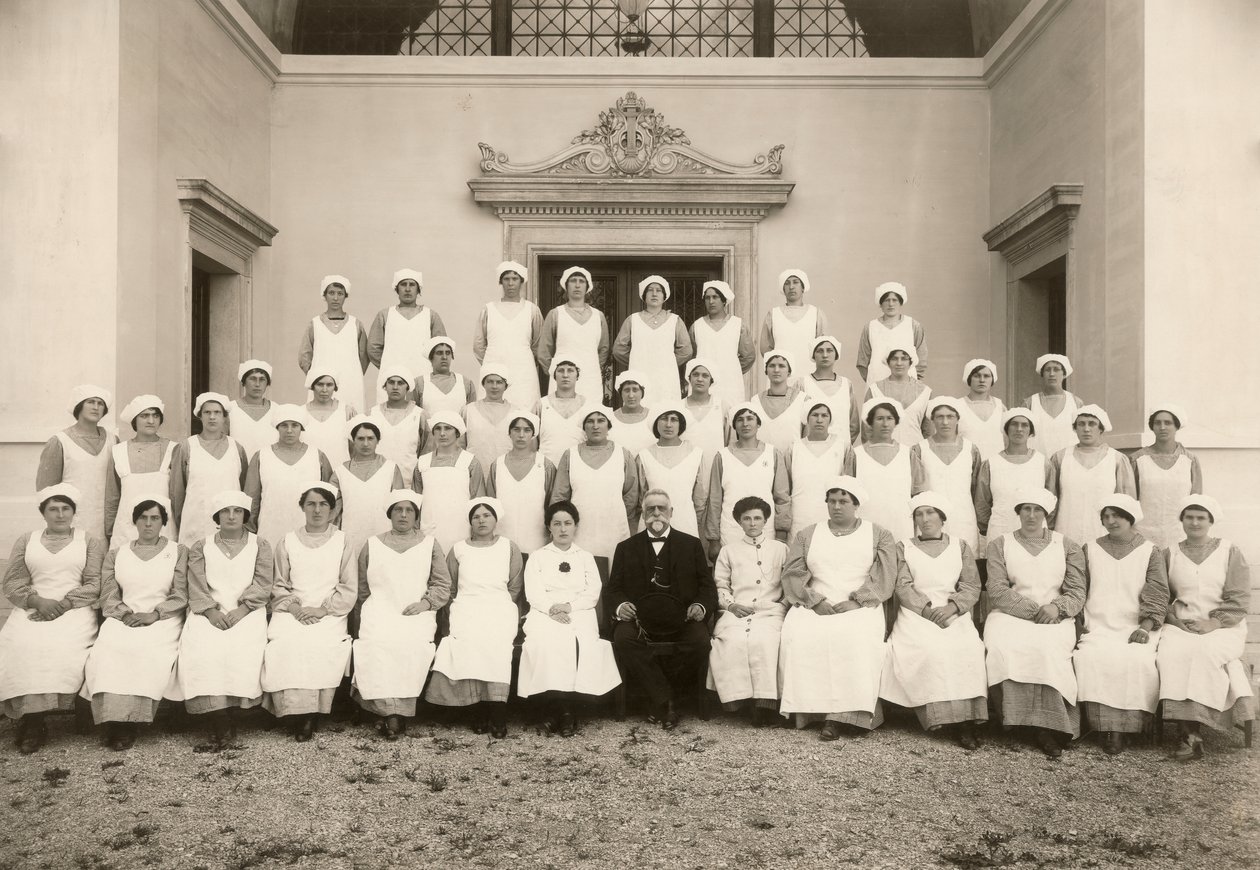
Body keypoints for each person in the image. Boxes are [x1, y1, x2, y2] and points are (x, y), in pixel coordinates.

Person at [779, 477, 896, 739]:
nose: (837, 506)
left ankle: (845, 716)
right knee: (799, 632)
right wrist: (815, 602)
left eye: (843, 501)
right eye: (832, 501)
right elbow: (792, 574)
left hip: (862, 605)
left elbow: (885, 577)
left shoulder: (879, 534)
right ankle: (810, 712)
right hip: (816, 601)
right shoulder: (807, 534)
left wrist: (858, 601)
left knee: (855, 637)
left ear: (856, 504)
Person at [0, 485, 103, 754]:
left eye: (65, 509)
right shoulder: (27, 540)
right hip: (33, 607)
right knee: (20, 642)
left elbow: (94, 583)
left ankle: (63, 714)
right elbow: (12, 582)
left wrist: (64, 604)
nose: (60, 514)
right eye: (53, 509)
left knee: (59, 645)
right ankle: (33, 720)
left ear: (73, 512)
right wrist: (38, 602)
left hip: (75, 608)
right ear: (43, 513)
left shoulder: (88, 541)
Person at [984, 488, 1085, 758]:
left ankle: (1049, 726)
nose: (1031, 515)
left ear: (1046, 514)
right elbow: (997, 589)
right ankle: (1016, 722)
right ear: (1018, 513)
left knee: (1048, 650)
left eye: (1037, 510)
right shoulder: (1000, 544)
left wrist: (1056, 608)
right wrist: (1034, 611)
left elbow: (1077, 590)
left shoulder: (1067, 545)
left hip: (1056, 617)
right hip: (1010, 614)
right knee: (1003, 647)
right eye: (1026, 509)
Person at [881, 492, 987, 749]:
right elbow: (903, 585)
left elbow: (971, 585)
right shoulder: (903, 547)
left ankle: (967, 722)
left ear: (942, 518)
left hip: (953, 612)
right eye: (919, 514)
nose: (925, 519)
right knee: (929, 649)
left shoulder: (960, 546)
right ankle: (940, 718)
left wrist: (953, 607)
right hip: (917, 614)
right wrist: (927, 611)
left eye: (930, 513)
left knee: (968, 648)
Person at [606, 489, 716, 730]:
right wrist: (621, 606)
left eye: (661, 508)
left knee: (700, 641)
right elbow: (613, 589)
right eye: (650, 509)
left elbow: (707, 587)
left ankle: (660, 697)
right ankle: (667, 699)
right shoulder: (626, 547)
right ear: (643, 514)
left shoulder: (691, 545)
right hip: (639, 622)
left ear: (671, 512)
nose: (656, 513)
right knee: (623, 638)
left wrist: (700, 606)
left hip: (682, 620)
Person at [83, 497, 187, 751]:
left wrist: (155, 614)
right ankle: (114, 720)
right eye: (143, 518)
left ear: (163, 522)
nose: (148, 523)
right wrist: (124, 613)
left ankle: (131, 722)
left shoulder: (177, 551)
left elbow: (181, 593)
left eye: (155, 518)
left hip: (163, 619)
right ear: (135, 521)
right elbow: (109, 594)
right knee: (109, 648)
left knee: (146, 650)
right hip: (124, 617)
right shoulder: (117, 554)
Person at [1158, 494, 1255, 760]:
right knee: (1171, 653)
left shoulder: (1229, 551)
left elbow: (1239, 597)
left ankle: (1193, 732)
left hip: (1224, 627)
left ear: (1211, 521)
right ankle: (1189, 733)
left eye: (1201, 518)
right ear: (1181, 520)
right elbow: (1162, 595)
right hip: (1182, 624)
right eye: (1189, 517)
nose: (1195, 523)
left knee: (1204, 652)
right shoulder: (1170, 554)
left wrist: (1214, 623)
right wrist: (1175, 621)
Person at [177, 489, 274, 748]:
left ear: (245, 515)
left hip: (247, 611)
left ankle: (234, 712)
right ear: (217, 516)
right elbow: (196, 585)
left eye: (237, 511)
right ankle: (217, 717)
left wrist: (243, 610)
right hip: (209, 611)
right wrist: (210, 612)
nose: (231, 516)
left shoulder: (260, 545)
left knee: (242, 646)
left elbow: (263, 583)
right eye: (225, 511)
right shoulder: (202, 546)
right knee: (202, 645)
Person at [352, 490, 451, 740]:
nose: (403, 515)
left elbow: (442, 584)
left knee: (411, 644)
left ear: (416, 516)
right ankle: (388, 713)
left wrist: (426, 604)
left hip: (416, 612)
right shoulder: (372, 544)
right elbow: (362, 588)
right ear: (390, 514)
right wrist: (370, 612)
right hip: (379, 610)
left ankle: (396, 713)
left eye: (409, 510)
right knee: (376, 643)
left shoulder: (430, 544)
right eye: (398, 509)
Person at [261, 482, 356, 741]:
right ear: (302, 507)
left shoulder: (342, 541)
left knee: (318, 643)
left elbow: (348, 586)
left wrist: (322, 610)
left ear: (332, 509)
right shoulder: (288, 541)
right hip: (292, 610)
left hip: (329, 612)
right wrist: (295, 608)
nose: (317, 510)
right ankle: (285, 709)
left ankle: (309, 715)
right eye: (311, 504)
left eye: (323, 504)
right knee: (285, 642)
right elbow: (279, 584)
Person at [1072, 494, 1167, 755]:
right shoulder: (1090, 548)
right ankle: (1100, 727)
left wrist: (1145, 627)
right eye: (1106, 516)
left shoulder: (1150, 551)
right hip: (1098, 625)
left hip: (1136, 627)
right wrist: (1080, 623)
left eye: (1117, 515)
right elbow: (1078, 589)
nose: (1111, 521)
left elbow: (1158, 592)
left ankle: (1125, 730)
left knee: (1137, 660)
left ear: (1130, 518)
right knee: (1090, 657)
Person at [518, 501, 622, 735]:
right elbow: (533, 592)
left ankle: (559, 712)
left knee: (576, 641)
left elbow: (592, 593)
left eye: (568, 523)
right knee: (545, 641)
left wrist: (569, 607)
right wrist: (552, 609)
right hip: (544, 612)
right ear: (549, 527)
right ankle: (564, 712)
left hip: (579, 612)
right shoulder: (538, 557)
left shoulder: (585, 557)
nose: (563, 529)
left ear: (576, 526)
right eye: (557, 524)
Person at [426, 497, 525, 738]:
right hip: (466, 606)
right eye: (476, 517)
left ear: (495, 519)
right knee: (468, 640)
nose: (481, 520)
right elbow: (450, 587)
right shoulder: (459, 548)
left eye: (486, 515)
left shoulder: (509, 547)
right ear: (470, 522)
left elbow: (515, 586)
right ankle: (477, 709)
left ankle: (497, 710)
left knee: (496, 642)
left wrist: (498, 606)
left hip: (499, 605)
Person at [707, 496, 788, 725]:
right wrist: (731, 605)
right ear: (739, 522)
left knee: (765, 640)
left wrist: (782, 605)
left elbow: (790, 584)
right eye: (747, 519)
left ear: (765, 520)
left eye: (757, 518)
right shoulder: (728, 551)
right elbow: (720, 585)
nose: (752, 523)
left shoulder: (780, 549)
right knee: (731, 640)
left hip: (771, 611)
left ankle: (765, 704)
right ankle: (738, 702)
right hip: (736, 610)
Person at [551, 407, 638, 561]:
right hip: (580, 530)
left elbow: (631, 496)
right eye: (590, 421)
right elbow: (559, 497)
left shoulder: (623, 454)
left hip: (614, 528)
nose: (595, 426)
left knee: (614, 567)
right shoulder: (570, 455)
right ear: (584, 427)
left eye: (601, 421)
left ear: (609, 425)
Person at [705, 403, 791, 554]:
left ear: (758, 423)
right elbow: (714, 500)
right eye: (740, 419)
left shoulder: (773, 453)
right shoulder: (722, 456)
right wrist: (713, 539)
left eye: (750, 418)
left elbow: (782, 497)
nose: (745, 423)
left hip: (765, 529)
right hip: (731, 529)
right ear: (734, 425)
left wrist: (781, 532)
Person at [244, 405, 334, 547]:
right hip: (270, 529)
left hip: (309, 532)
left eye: (295, 425)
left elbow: (329, 499)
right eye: (284, 425)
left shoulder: (317, 456)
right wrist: (250, 530)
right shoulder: (262, 456)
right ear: (277, 427)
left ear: (301, 428)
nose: (289, 430)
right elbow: (251, 500)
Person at [35, 384, 116, 541]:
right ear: (79, 406)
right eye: (90, 402)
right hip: (72, 519)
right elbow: (46, 491)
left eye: (100, 403)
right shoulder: (60, 441)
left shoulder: (113, 440)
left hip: (104, 521)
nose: (96, 407)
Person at [1050, 405, 1136, 547]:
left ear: (1101, 428)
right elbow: (1051, 500)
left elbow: (1126, 504)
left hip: (1103, 534)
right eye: (1081, 424)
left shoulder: (1117, 459)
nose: (1086, 429)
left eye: (1092, 424)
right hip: (1066, 531)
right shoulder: (1060, 458)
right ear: (1075, 428)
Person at [171, 392, 248, 546]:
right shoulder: (186, 447)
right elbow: (177, 493)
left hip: (230, 525)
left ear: (224, 417)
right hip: (195, 524)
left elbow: (244, 489)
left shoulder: (236, 448)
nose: (212, 417)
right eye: (207, 412)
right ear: (200, 416)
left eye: (217, 412)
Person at [845, 398, 924, 542]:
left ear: (896, 422)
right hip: (866, 524)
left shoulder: (908, 454)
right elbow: (847, 495)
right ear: (870, 422)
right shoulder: (856, 455)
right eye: (880, 418)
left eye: (890, 418)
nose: (885, 424)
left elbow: (918, 494)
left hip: (901, 525)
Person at [911, 397, 981, 552]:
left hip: (963, 517)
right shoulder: (919, 449)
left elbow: (976, 488)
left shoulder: (970, 449)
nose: (945, 422)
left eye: (950, 416)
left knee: (964, 556)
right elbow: (915, 491)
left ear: (958, 419)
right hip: (931, 519)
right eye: (939, 417)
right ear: (932, 420)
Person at [975, 408, 1056, 544]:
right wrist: (986, 527)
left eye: (1024, 425)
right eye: (1014, 424)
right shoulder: (991, 464)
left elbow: (1051, 502)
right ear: (1006, 429)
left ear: (1031, 431)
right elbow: (982, 503)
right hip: (1000, 530)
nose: (1019, 429)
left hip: (1035, 534)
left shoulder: (1043, 463)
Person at [1130, 403, 1203, 548]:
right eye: (1157, 423)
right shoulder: (1137, 459)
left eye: (1168, 423)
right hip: (1143, 534)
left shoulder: (1190, 460)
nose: (1162, 427)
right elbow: (1130, 500)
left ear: (1176, 426)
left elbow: (1196, 501)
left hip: (1179, 534)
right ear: (1152, 427)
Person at [412, 411, 487, 553]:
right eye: (438, 429)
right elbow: (415, 503)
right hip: (429, 530)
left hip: (461, 530)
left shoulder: (470, 462)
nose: (442, 433)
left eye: (448, 428)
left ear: (457, 433)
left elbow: (478, 501)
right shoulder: (422, 462)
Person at [106, 395, 175, 547]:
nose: (151, 421)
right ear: (134, 420)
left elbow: (178, 496)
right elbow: (112, 497)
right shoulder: (118, 451)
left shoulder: (173, 449)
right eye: (144, 416)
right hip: (126, 531)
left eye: (155, 416)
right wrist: (109, 532)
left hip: (164, 530)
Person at [368, 268, 447, 399]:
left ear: (418, 289)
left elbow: (441, 348)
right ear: (397, 289)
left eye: (412, 285)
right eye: (403, 284)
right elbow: (373, 348)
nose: (408, 289)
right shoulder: (385, 315)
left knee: (422, 408)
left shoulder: (431, 315)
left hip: (422, 375)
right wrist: (389, 366)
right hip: (393, 378)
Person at [473, 261, 543, 407]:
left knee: (524, 408)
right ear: (501, 282)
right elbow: (479, 346)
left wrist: (524, 362)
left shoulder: (532, 310)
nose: (510, 283)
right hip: (494, 371)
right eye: (506, 279)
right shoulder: (488, 309)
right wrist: (492, 364)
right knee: (492, 409)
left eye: (515, 279)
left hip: (523, 372)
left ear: (521, 281)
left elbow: (538, 344)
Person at [612, 275, 692, 403]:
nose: (654, 294)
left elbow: (686, 350)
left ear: (664, 295)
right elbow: (619, 349)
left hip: (666, 376)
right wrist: (638, 360)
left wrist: (666, 362)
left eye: (658, 290)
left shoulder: (675, 320)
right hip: (640, 373)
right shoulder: (633, 319)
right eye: (650, 290)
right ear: (644, 295)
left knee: (666, 407)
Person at [331, 416, 405, 553]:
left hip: (384, 536)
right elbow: (332, 512)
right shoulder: (340, 472)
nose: (365, 444)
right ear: (353, 440)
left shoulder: (390, 468)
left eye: (370, 438)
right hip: (351, 536)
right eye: (360, 438)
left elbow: (400, 506)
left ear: (378, 440)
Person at [486, 412, 556, 555]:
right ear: (509, 433)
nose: (521, 435)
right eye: (516, 429)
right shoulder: (497, 465)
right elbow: (490, 505)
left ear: (533, 434)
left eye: (527, 430)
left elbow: (552, 504)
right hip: (502, 539)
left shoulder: (545, 465)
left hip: (536, 541)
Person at [298, 275, 370, 412]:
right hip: (323, 385)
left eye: (340, 294)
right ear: (324, 295)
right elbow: (304, 356)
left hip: (350, 383)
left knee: (352, 416)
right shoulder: (315, 324)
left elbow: (364, 357)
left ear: (345, 296)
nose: (336, 298)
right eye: (331, 293)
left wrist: (353, 374)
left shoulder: (355, 324)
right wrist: (317, 376)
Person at [540, 267, 609, 406]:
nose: (577, 285)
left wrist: (592, 368)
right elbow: (544, 352)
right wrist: (557, 373)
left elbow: (604, 348)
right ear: (566, 286)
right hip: (563, 379)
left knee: (590, 412)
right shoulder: (556, 314)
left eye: (581, 281)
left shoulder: (598, 316)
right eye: (573, 281)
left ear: (587, 287)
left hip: (590, 377)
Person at [786, 402, 854, 542]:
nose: (819, 420)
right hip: (800, 514)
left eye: (824, 415)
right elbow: (785, 488)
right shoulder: (794, 448)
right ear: (807, 418)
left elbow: (849, 487)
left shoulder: (843, 446)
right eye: (815, 415)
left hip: (831, 515)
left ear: (830, 419)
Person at [635, 404, 706, 538]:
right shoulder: (644, 456)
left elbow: (700, 499)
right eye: (664, 419)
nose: (668, 424)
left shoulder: (696, 454)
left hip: (686, 524)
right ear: (656, 423)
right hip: (652, 526)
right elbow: (640, 497)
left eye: (674, 419)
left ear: (681, 424)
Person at [689, 279, 753, 406]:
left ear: (724, 300)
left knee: (730, 413)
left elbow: (748, 356)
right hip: (704, 383)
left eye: (715, 297)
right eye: (707, 298)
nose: (711, 301)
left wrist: (731, 369)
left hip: (730, 384)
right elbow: (691, 356)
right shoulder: (697, 326)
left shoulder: (738, 324)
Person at [758, 268, 827, 388]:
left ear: (803, 287)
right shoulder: (773, 314)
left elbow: (822, 347)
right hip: (780, 377)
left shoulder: (816, 313)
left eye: (795, 282)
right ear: (783, 289)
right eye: (787, 283)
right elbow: (766, 349)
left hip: (809, 374)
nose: (791, 287)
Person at [856, 281, 928, 383]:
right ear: (881, 304)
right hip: (877, 381)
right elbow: (862, 361)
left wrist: (913, 381)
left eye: (895, 300)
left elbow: (921, 358)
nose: (891, 304)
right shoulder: (870, 327)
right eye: (886, 300)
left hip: (907, 384)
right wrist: (874, 382)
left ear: (900, 302)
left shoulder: (913, 325)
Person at [863, 347, 931, 446]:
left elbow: (928, 431)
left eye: (904, 359)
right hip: (883, 450)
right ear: (888, 362)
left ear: (910, 362)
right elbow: (866, 429)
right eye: (894, 359)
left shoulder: (925, 391)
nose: (899, 363)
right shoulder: (875, 390)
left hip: (915, 450)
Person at [800, 336, 860, 443]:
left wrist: (841, 446)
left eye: (829, 350)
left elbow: (854, 425)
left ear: (836, 354)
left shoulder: (846, 384)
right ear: (813, 355)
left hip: (840, 449)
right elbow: (797, 424)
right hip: (811, 449)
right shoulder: (803, 383)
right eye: (820, 351)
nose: (825, 355)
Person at [680, 358, 728, 492]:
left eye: (705, 375)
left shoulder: (722, 406)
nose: (700, 379)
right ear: (689, 378)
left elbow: (729, 440)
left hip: (715, 469)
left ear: (711, 380)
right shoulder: (679, 407)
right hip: (686, 470)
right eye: (695, 374)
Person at [369, 368, 426, 478]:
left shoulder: (419, 415)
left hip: (409, 479)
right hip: (378, 478)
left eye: (400, 383)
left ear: (407, 387)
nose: (395, 387)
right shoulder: (372, 414)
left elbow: (426, 451)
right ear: (385, 386)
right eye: (391, 382)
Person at [463, 365, 520, 473]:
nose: (494, 386)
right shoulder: (469, 410)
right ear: (483, 384)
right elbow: (460, 445)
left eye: (499, 382)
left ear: (505, 386)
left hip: (506, 471)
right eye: (490, 382)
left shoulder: (516, 412)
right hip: (475, 472)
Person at [1025, 353, 1084, 458]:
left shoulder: (1076, 403)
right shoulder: (1030, 403)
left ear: (1064, 374)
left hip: (1068, 460)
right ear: (1042, 374)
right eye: (1047, 370)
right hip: (1038, 461)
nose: (1052, 374)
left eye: (1056, 369)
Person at [536, 357, 591, 465]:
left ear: (577, 376)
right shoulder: (542, 404)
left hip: (578, 465)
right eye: (561, 370)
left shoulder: (587, 405)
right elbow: (533, 441)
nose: (565, 375)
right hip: (546, 466)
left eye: (570, 370)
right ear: (554, 376)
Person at [414, 335, 476, 421]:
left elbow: (471, 417)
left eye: (448, 353)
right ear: (431, 357)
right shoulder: (420, 383)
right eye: (439, 353)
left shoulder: (466, 383)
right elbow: (413, 418)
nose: (444, 357)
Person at [226, 360, 277, 463]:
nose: (257, 384)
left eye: (262, 379)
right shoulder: (230, 409)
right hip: (238, 466)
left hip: (269, 466)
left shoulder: (277, 410)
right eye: (252, 379)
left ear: (267, 383)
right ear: (243, 382)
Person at [302, 370, 355, 468]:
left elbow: (355, 448)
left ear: (335, 387)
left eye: (329, 385)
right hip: (309, 469)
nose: (324, 390)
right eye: (320, 384)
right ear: (312, 386)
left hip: (340, 469)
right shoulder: (300, 412)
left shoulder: (346, 411)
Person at [956, 359, 1007, 460]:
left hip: (996, 463)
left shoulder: (1000, 407)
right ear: (969, 379)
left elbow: (1007, 440)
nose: (982, 380)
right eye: (976, 376)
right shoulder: (957, 406)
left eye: (986, 376)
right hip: (967, 463)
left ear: (992, 379)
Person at [610, 370, 656, 457]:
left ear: (642, 392)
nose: (631, 395)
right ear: (620, 393)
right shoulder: (611, 418)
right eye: (626, 390)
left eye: (635, 390)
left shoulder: (653, 417)